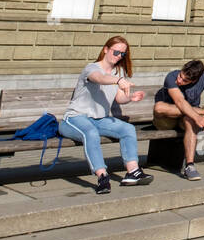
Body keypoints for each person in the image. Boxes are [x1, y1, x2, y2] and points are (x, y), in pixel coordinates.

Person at [59, 35, 153, 194]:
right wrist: (117, 81)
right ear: (106, 49)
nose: (119, 56)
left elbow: (118, 98)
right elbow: (100, 78)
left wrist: (130, 97)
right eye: (116, 52)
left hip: (100, 119)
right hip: (75, 119)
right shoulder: (92, 68)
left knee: (128, 129)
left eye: (122, 54)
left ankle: (133, 172)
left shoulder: (118, 71)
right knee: (91, 133)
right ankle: (102, 176)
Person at [153, 59, 204, 181]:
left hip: (187, 117)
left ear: (195, 80)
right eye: (180, 76)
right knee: (159, 107)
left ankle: (190, 166)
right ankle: (201, 112)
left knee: (190, 121)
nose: (179, 80)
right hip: (166, 119)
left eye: (185, 80)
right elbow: (180, 102)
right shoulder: (171, 77)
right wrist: (202, 114)